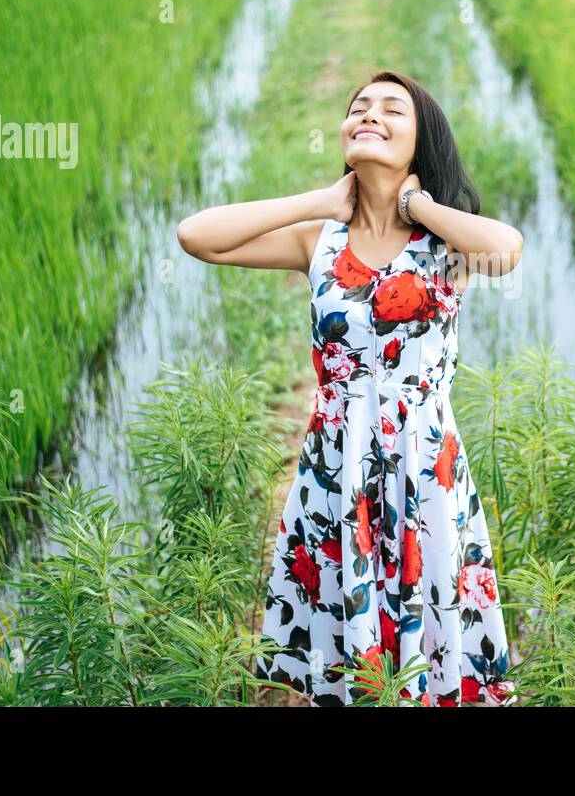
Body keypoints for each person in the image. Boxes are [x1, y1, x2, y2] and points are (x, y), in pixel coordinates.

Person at [177, 69, 524, 706]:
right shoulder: (321, 239)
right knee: (346, 659)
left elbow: (506, 249)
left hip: (424, 472)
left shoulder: (445, 243)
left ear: (421, 142)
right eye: (358, 107)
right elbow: (197, 236)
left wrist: (416, 206)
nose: (368, 115)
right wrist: (320, 202)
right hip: (337, 469)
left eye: (392, 109)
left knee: (428, 650)